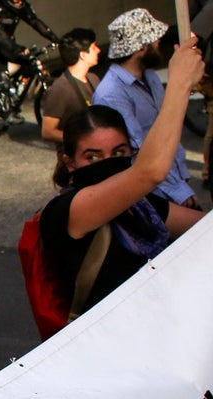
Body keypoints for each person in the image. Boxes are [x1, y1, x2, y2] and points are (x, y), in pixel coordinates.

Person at [42, 38, 207, 319]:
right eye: (92, 157)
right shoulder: (69, 211)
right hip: (112, 340)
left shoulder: (141, 207)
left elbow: (204, 228)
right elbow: (150, 171)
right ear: (69, 163)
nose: (107, 164)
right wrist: (180, 84)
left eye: (118, 152)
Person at [95, 8, 201, 210]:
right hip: (153, 196)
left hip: (174, 183)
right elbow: (139, 151)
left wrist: (182, 178)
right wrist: (179, 190)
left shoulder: (150, 76)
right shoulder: (111, 93)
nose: (159, 41)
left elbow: (167, 127)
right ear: (141, 47)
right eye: (154, 39)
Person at [0, 0, 59, 104]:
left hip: (6, 44)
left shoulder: (23, 6)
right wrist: (19, 49)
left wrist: (55, 39)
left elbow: (35, 22)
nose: (19, 3)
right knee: (2, 80)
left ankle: (17, 90)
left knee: (31, 63)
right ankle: (3, 104)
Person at [40, 28, 102, 145]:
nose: (98, 50)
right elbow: (47, 132)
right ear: (83, 55)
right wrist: (83, 140)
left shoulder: (93, 78)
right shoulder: (60, 88)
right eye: (94, 48)